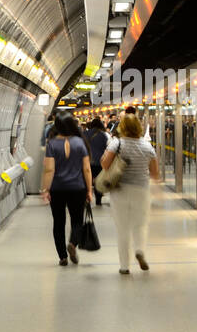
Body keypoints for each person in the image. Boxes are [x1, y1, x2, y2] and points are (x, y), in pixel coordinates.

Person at [99, 113, 160, 274]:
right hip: (141, 190)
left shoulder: (116, 144)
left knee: (122, 229)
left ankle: (124, 267)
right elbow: (155, 173)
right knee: (140, 224)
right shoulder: (147, 147)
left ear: (122, 127)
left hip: (120, 190)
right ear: (139, 127)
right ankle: (139, 250)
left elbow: (105, 165)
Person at [41, 112, 93, 266]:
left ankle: (62, 256)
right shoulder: (80, 142)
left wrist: (46, 190)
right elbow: (87, 169)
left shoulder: (52, 144)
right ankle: (73, 243)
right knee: (77, 220)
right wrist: (89, 190)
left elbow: (49, 170)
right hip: (77, 188)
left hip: (57, 189)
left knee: (58, 222)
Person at [85, 117, 109, 206]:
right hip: (99, 161)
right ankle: (98, 200)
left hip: (87, 161)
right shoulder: (103, 135)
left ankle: (86, 199)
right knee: (98, 181)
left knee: (87, 180)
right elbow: (106, 148)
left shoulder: (85, 133)